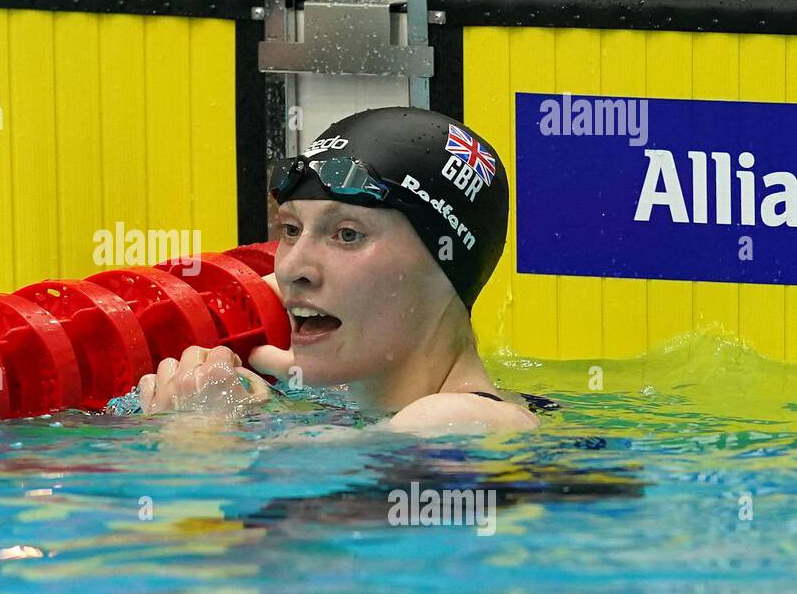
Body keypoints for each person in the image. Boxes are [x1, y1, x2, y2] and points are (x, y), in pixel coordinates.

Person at [136, 107, 543, 432]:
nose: (292, 267)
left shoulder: (461, 422)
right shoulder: (353, 400)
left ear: (445, 265)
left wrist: (199, 434)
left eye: (347, 235)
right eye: (291, 229)